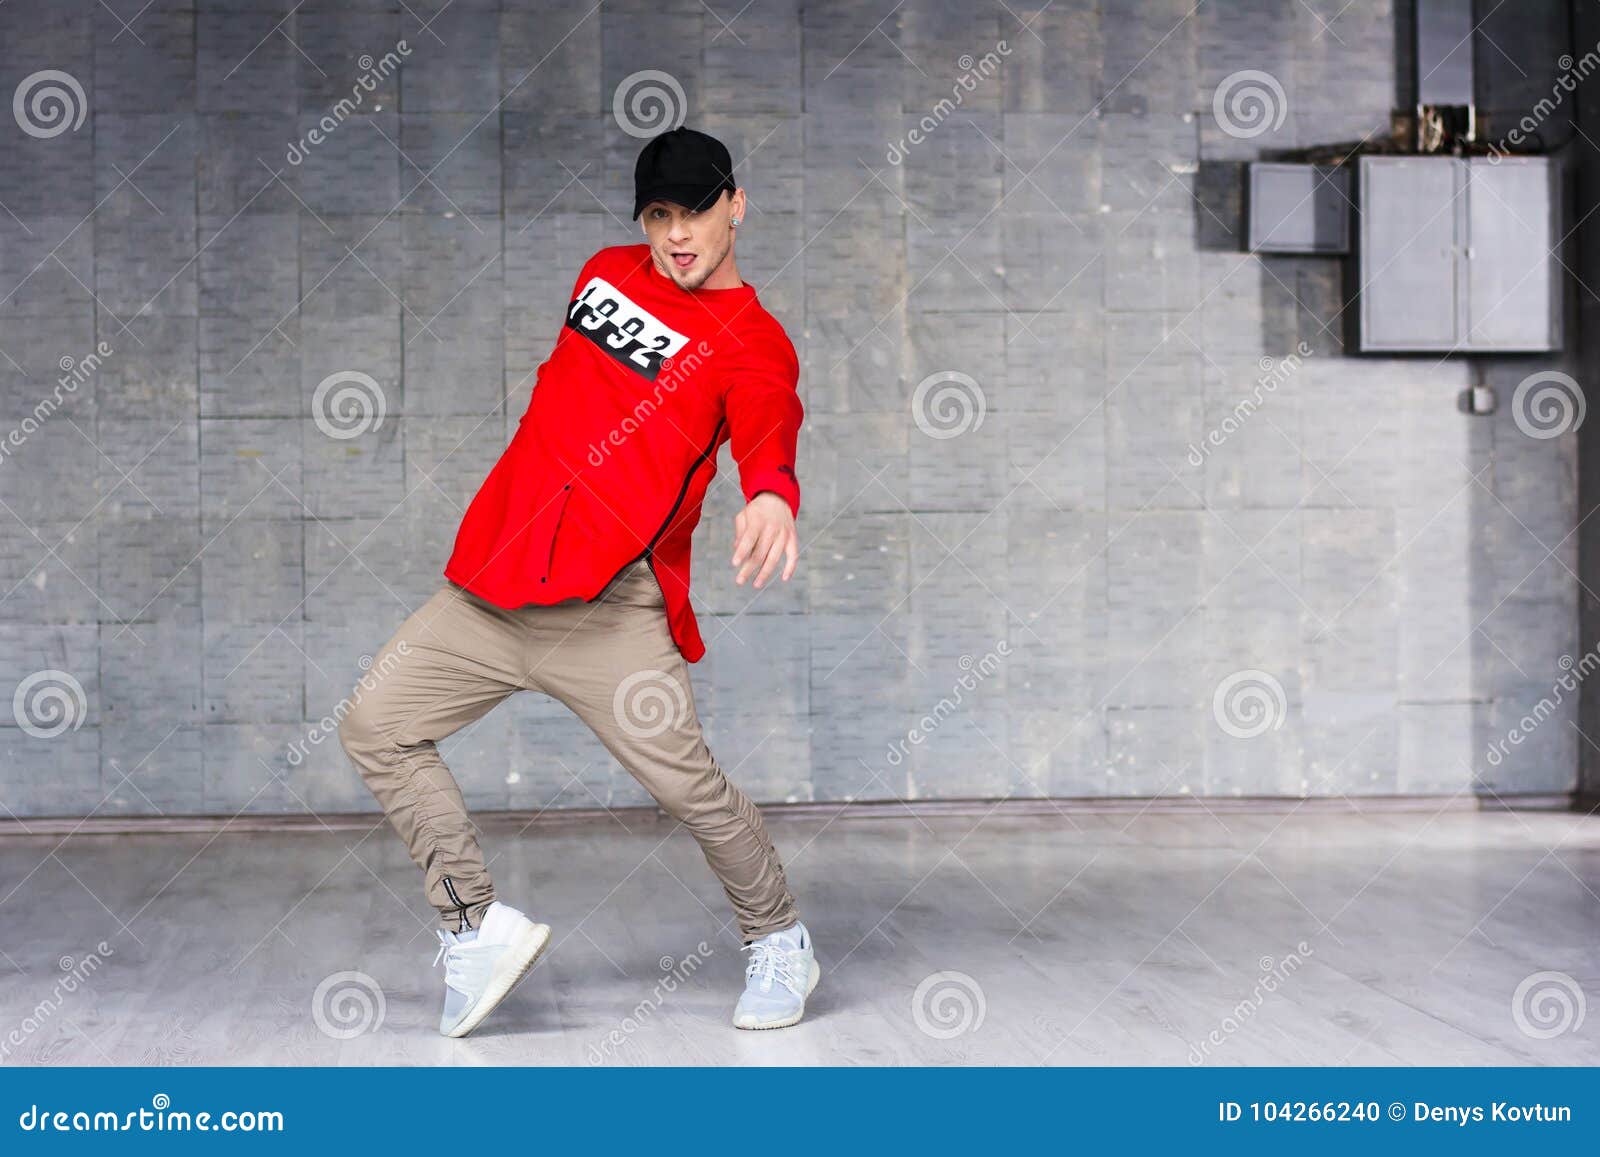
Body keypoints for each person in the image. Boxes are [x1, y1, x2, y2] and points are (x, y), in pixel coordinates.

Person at [337, 126, 817, 1037]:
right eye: (659, 214)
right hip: (495, 579)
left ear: (737, 207)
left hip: (608, 609)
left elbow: (767, 419)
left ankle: (780, 937)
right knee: (376, 725)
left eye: (697, 211)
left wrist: (772, 494)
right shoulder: (603, 272)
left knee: (689, 789)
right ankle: (474, 926)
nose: (678, 233)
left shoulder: (752, 341)